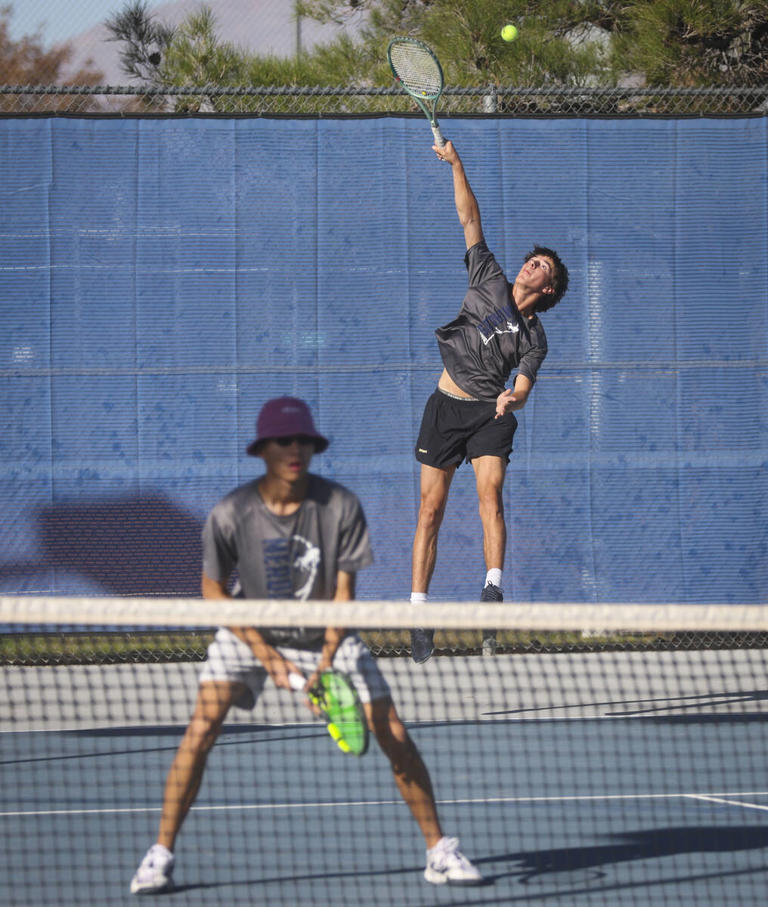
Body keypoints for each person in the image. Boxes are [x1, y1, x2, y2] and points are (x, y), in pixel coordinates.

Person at [130, 396, 482, 894]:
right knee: (201, 729)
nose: (295, 449)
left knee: (394, 733)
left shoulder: (339, 507)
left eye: (304, 441)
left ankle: (439, 851)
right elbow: (213, 592)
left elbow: (343, 598)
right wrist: (268, 657)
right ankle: (159, 855)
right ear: (263, 450)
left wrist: (322, 663)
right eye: (283, 441)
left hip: (326, 631)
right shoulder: (232, 513)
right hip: (248, 629)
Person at [410, 141, 569, 664]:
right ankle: (418, 613)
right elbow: (469, 216)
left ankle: (492, 594)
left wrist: (512, 400)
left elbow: (523, 385)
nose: (532, 266)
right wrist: (455, 163)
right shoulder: (488, 277)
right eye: (532, 260)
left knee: (490, 496)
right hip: (445, 405)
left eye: (542, 266)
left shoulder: (534, 337)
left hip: (489, 414)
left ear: (549, 288)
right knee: (430, 512)